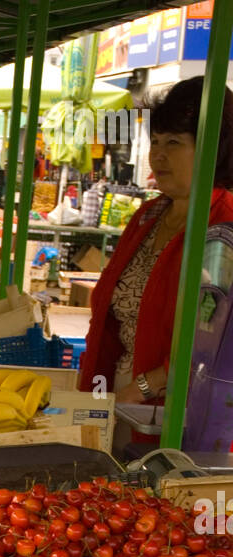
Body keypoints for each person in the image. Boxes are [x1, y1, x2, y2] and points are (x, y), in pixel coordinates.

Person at [79, 77, 233, 414]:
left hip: (175, 417)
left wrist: (147, 385)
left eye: (175, 142)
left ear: (212, 149)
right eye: (156, 141)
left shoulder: (225, 224)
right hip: (115, 399)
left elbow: (217, 340)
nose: (158, 155)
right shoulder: (149, 215)